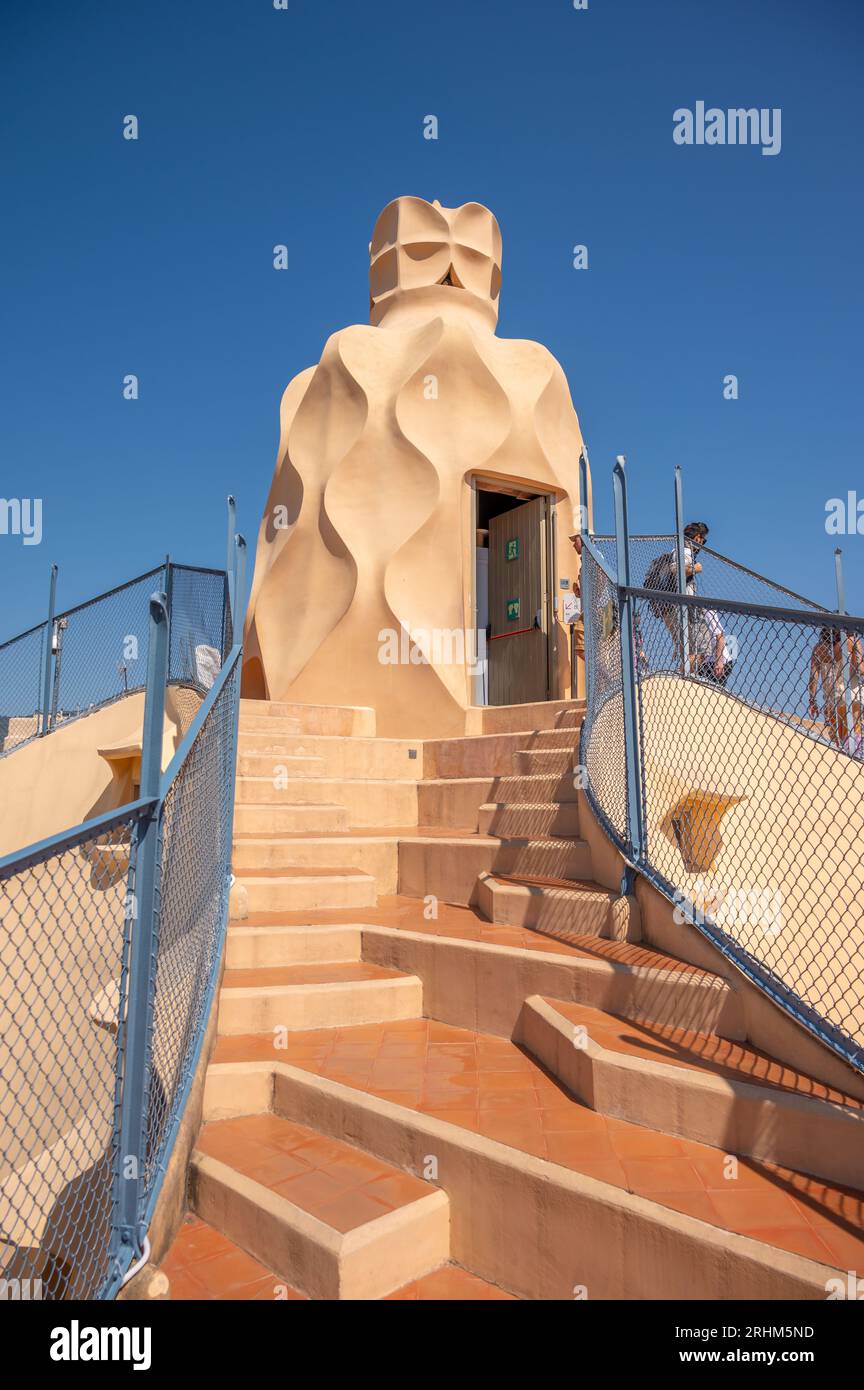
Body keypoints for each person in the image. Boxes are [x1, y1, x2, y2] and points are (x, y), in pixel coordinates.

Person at [644, 521, 710, 668]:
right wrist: (696, 568)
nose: (702, 545)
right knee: (702, 649)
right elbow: (677, 570)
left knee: (686, 651)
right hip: (682, 608)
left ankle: (684, 678)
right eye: (703, 541)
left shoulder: (675, 551)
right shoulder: (685, 551)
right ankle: (684, 679)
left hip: (669, 608)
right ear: (698, 537)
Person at [809, 625, 864, 753]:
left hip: (832, 701)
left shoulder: (818, 649)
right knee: (855, 739)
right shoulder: (852, 641)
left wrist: (812, 700)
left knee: (838, 745)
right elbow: (861, 669)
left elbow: (813, 676)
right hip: (853, 696)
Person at [693, 605, 735, 685]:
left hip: (718, 660)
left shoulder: (707, 613)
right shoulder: (690, 617)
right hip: (705, 662)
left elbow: (720, 637)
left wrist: (719, 661)